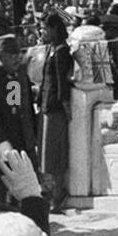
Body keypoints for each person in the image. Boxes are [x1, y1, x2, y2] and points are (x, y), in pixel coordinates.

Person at [0, 34, 38, 203]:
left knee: (22, 185)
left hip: (18, 140)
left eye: (18, 55)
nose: (16, 59)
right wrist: (1, 142)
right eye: (11, 55)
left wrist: (30, 134)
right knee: (2, 184)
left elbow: (17, 108)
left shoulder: (16, 76)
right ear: (0, 57)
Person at [37, 11, 73, 211]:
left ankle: (55, 194)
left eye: (45, 28)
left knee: (53, 153)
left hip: (52, 107)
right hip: (42, 106)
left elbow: (60, 82)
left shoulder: (59, 51)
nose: (42, 32)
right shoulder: (48, 49)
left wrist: (65, 105)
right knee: (44, 153)